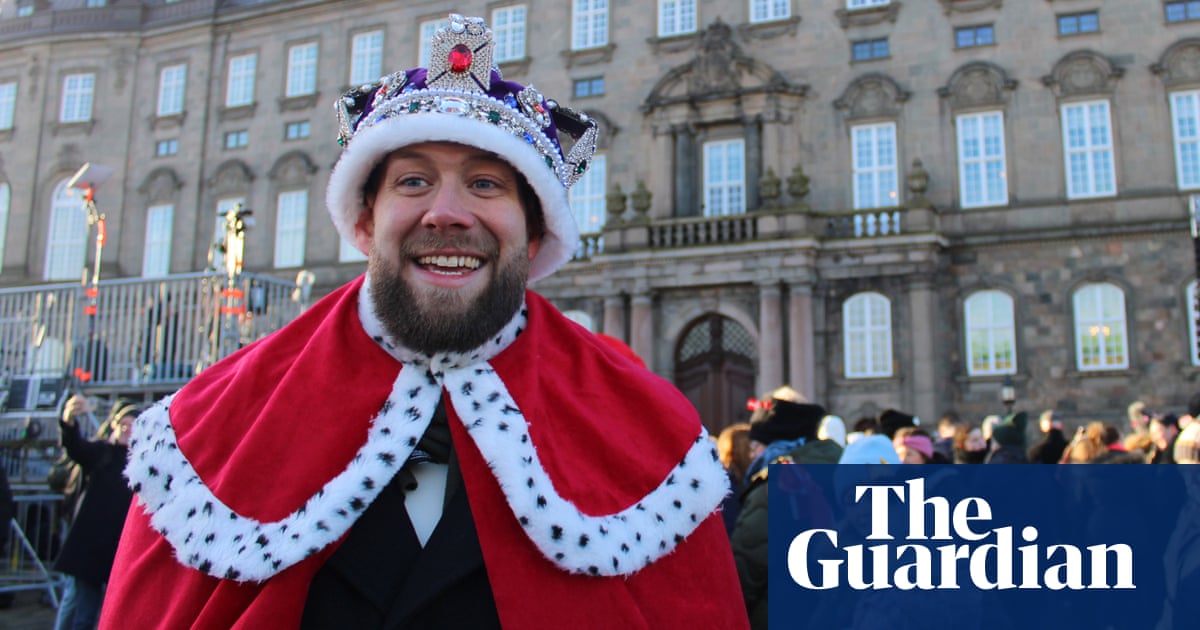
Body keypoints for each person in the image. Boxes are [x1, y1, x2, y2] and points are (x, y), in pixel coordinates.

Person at [101, 14, 745, 629]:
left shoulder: (652, 441)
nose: (447, 213)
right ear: (363, 219)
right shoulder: (205, 432)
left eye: (487, 184)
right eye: (412, 180)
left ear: (535, 229)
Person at [731, 396, 841, 629]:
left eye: (755, 447)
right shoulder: (843, 469)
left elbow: (748, 563)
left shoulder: (776, 485)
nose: (752, 455)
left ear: (778, 445)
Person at [53, 396, 141, 630]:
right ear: (114, 424)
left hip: (120, 550)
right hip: (89, 549)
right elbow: (76, 448)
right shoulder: (102, 452)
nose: (127, 429)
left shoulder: (143, 464)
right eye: (123, 423)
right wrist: (69, 421)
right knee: (83, 613)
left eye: (133, 424)